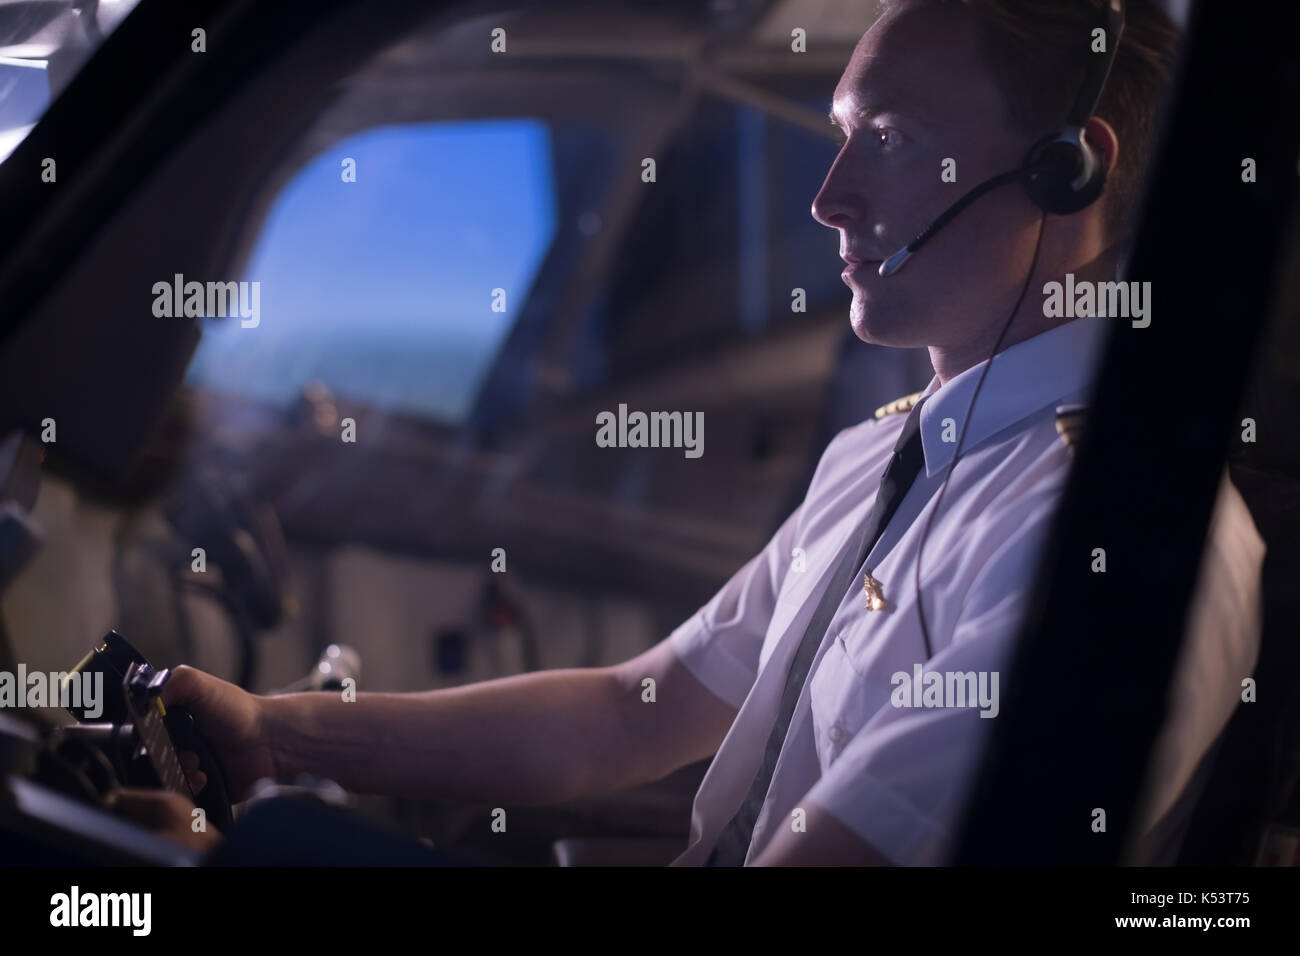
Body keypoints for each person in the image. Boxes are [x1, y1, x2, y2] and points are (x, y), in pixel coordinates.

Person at [119, 0, 1264, 865]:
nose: (830, 197)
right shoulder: (889, 452)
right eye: (839, 133)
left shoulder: (1114, 530)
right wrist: (280, 727)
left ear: (1065, 174)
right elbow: (632, 709)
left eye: (894, 139)